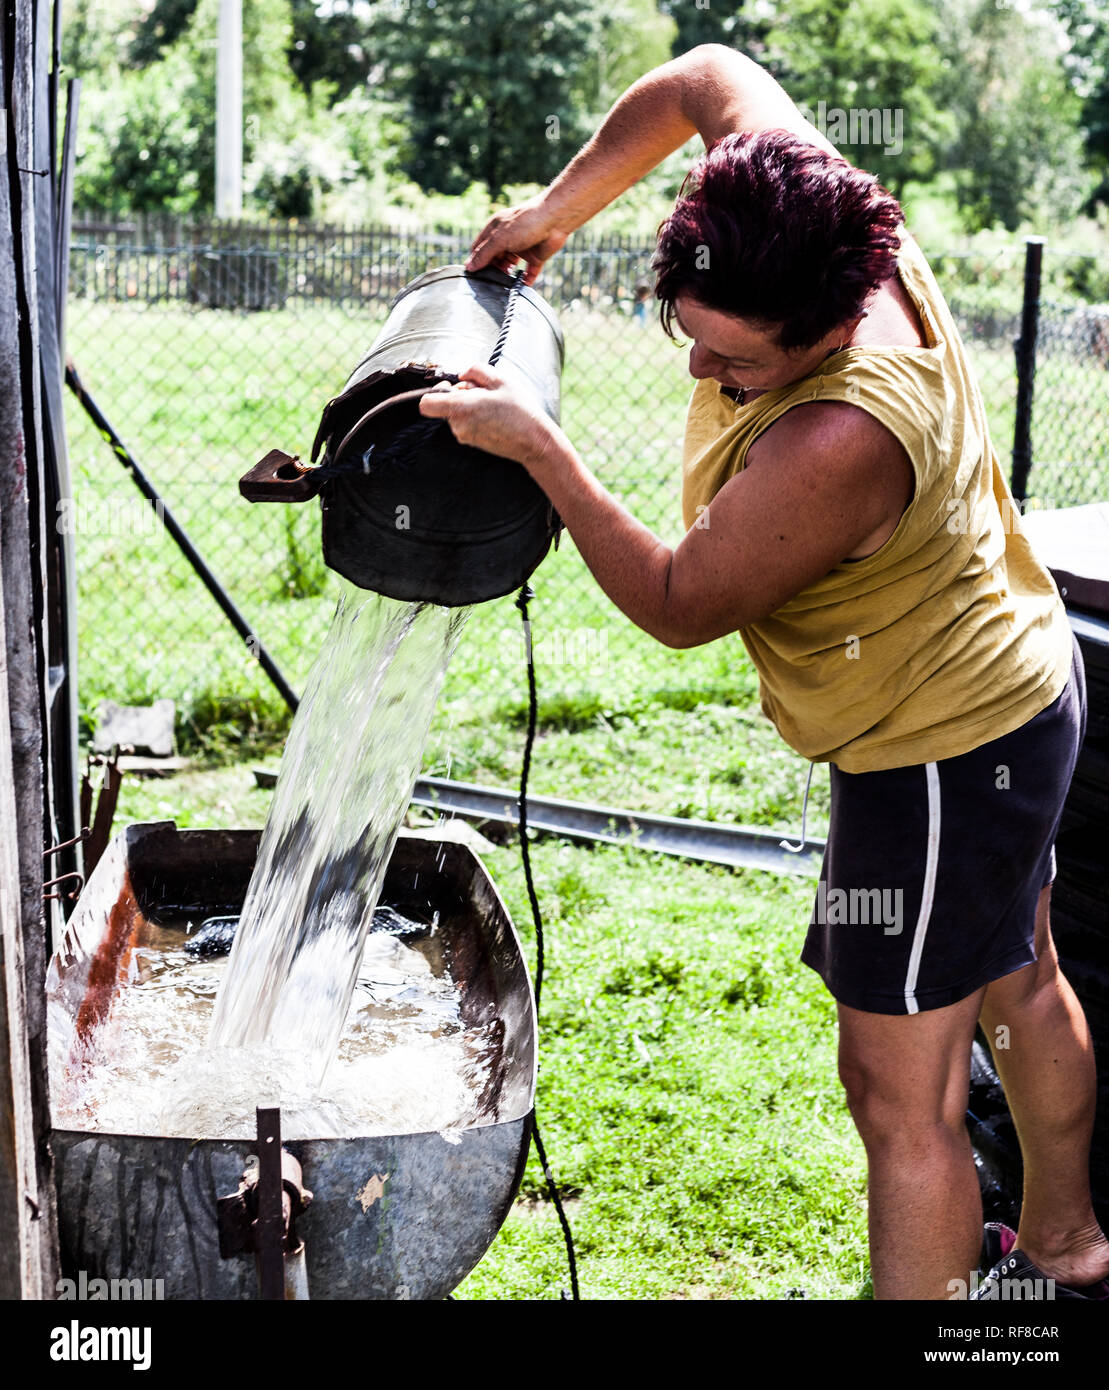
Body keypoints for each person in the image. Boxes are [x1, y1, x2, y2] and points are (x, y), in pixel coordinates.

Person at [419, 43, 1109, 1301]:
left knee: (897, 1100)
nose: (698, 374)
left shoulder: (843, 430)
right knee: (1018, 976)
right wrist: (549, 215)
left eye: (730, 363)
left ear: (831, 330)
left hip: (942, 747)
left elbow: (680, 602)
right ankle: (1067, 1250)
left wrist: (542, 453)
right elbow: (703, 76)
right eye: (683, 335)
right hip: (1011, 685)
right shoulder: (809, 206)